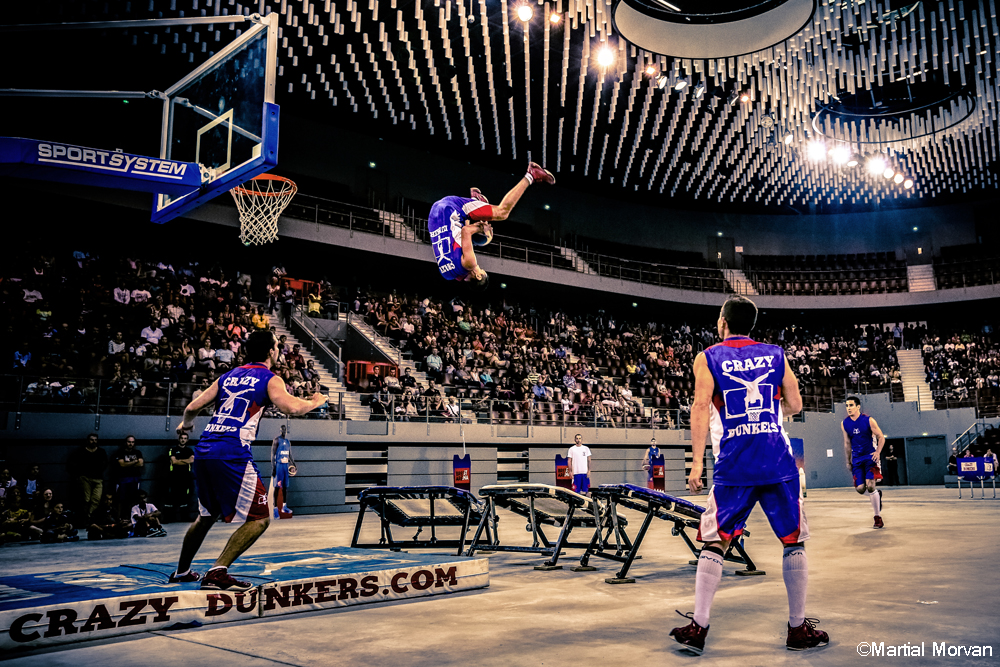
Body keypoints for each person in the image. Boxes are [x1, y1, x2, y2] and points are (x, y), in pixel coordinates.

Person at [671, 296, 828, 655]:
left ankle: (699, 627)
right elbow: (796, 405)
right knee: (793, 541)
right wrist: (771, 413)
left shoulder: (707, 357)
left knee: (715, 541)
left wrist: (696, 464)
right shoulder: (775, 355)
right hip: (776, 459)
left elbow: (698, 407)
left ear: (723, 321)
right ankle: (798, 629)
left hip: (734, 461)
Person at [170, 330, 327, 591]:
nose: (279, 350)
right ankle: (217, 572)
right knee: (260, 518)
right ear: (271, 351)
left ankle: (182, 571)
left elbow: (191, 409)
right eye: (277, 346)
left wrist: (186, 426)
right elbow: (293, 408)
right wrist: (315, 401)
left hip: (206, 449)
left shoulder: (227, 376)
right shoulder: (269, 378)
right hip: (232, 452)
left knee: (206, 515)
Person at [427, 162, 555, 289]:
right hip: (434, 215)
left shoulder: (470, 264)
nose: (480, 267)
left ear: (478, 276)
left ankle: (531, 175)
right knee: (481, 241)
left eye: (482, 270)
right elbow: (460, 236)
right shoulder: (448, 275)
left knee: (502, 213)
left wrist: (482, 228)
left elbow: (466, 230)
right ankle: (476, 201)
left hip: (450, 208)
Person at [842, 396, 886, 529]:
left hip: (870, 457)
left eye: (851, 405)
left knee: (871, 486)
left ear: (858, 406)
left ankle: (877, 518)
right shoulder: (845, 423)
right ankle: (877, 495)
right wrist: (848, 461)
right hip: (856, 459)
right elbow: (847, 443)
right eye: (847, 406)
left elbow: (881, 437)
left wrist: (877, 452)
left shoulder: (868, 420)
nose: (848, 408)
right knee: (861, 489)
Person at [168, 433, 196, 521]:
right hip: (174, 476)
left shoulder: (189, 450)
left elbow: (191, 460)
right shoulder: (173, 450)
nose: (183, 440)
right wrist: (186, 461)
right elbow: (174, 462)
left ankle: (185, 517)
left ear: (187, 440)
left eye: (185, 438)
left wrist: (180, 460)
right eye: (182, 438)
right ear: (179, 439)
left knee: (185, 496)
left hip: (186, 477)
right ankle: (171, 517)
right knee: (173, 496)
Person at [113, 435, 144, 515]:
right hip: (123, 479)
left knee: (133, 499)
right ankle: (119, 517)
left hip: (134, 479)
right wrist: (134, 462)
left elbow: (140, 463)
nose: (131, 444)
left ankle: (132, 516)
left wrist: (127, 464)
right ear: (125, 442)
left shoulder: (137, 452)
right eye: (129, 442)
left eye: (132, 442)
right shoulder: (120, 452)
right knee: (121, 499)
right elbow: (122, 465)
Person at [271, 425, 297, 519]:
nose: (284, 431)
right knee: (277, 488)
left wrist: (293, 463)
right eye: (282, 429)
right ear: (280, 430)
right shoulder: (277, 440)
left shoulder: (287, 441)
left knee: (285, 487)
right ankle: (275, 509)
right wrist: (273, 467)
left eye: (285, 430)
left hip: (286, 466)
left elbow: (289, 453)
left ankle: (284, 507)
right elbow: (273, 454)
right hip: (278, 466)